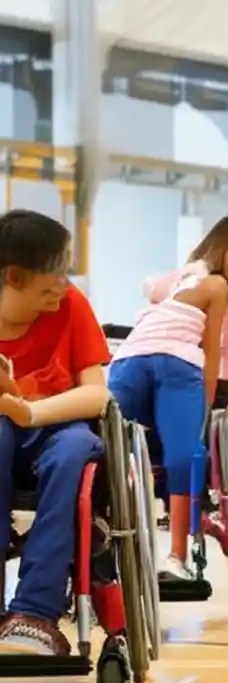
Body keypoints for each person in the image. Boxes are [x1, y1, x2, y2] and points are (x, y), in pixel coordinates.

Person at [109, 215, 228, 617]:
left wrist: (206, 398)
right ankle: (141, 551)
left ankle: (174, 556)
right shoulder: (206, 282)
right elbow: (208, 347)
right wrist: (206, 401)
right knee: (128, 450)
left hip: (149, 364)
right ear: (219, 242)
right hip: (143, 362)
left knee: (166, 454)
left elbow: (211, 345)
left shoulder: (208, 286)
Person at [0, 210, 111, 655]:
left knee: (76, 448)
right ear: (14, 276)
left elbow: (97, 394)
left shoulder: (71, 304)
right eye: (55, 272)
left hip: (56, 427)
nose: (64, 283)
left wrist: (28, 412)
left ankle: (35, 612)